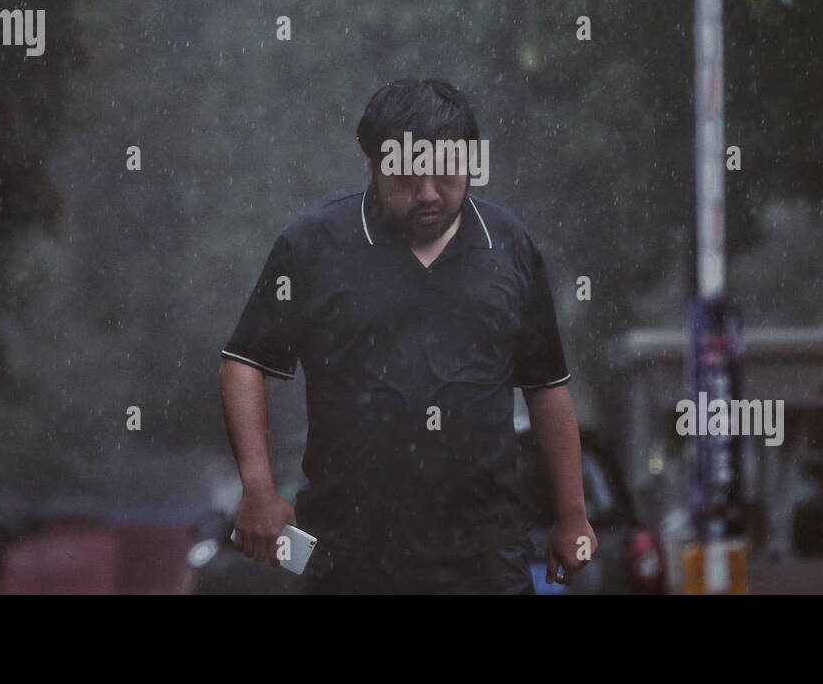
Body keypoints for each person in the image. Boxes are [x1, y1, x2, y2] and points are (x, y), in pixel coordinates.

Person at [219, 78, 595, 593]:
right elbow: (243, 362)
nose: (428, 194)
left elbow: (548, 385)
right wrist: (258, 487)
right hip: (350, 554)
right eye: (407, 177)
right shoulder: (314, 248)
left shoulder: (507, 247)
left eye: (445, 175)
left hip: (486, 555)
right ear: (373, 168)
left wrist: (572, 513)